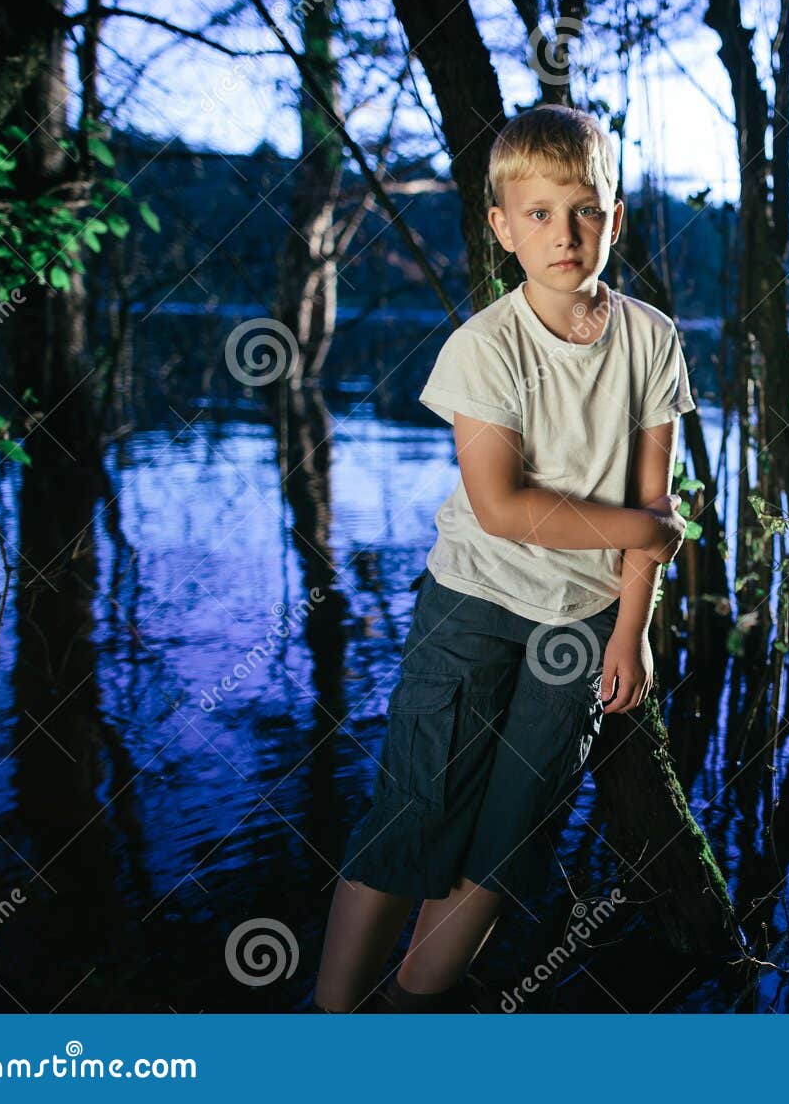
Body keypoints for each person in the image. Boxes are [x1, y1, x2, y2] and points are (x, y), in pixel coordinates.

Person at [312, 105, 697, 1013]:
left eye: (587, 209)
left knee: (511, 831)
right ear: (501, 228)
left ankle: (406, 1011)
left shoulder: (651, 338)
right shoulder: (485, 347)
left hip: (587, 617)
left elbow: (655, 500)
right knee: (419, 805)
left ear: (614, 215)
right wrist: (644, 536)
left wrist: (632, 626)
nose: (565, 234)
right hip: (474, 600)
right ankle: (327, 1020)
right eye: (538, 213)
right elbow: (504, 505)